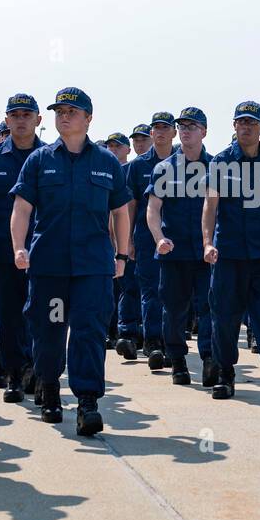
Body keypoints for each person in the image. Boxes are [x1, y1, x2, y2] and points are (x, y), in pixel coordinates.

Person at [10, 87, 132, 435]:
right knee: (49, 331)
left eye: (72, 111)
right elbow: (22, 208)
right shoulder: (40, 160)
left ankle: (88, 402)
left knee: (88, 332)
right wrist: (19, 247)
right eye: (59, 111)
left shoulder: (107, 162)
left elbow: (121, 212)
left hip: (93, 266)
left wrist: (121, 254)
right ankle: (49, 388)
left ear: (88, 118)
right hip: (49, 266)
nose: (64, 116)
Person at [202, 101, 260, 400]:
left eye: (252, 122)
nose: (245, 127)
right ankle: (225, 373)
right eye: (241, 122)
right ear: (234, 126)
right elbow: (210, 206)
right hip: (228, 254)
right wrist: (207, 241)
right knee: (224, 316)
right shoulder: (221, 162)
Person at [146, 107, 217, 387]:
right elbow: (152, 209)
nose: (185, 130)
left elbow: (224, 210)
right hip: (173, 254)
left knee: (210, 308)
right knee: (173, 310)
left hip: (205, 254)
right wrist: (158, 237)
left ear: (204, 131)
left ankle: (210, 359)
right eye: (182, 126)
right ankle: (177, 361)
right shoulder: (164, 168)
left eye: (192, 125)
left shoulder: (216, 166)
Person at [0, 93, 43, 402]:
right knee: (6, 315)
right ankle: (13, 374)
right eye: (15, 115)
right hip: (3, 253)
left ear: (38, 120)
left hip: (43, 252)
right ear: (7, 121)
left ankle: (36, 367)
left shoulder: (50, 156)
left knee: (40, 314)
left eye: (26, 115)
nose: (20, 120)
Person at [127, 112, 178, 368]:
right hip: (146, 238)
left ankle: (172, 342)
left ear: (173, 133)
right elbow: (131, 206)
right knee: (150, 291)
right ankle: (153, 342)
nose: (159, 132)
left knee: (174, 293)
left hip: (178, 238)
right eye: (155, 128)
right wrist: (127, 242)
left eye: (164, 128)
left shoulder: (185, 162)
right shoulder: (138, 166)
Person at [103, 132, 142, 357]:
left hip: (136, 240)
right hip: (112, 240)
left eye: (118, 146)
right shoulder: (108, 170)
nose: (113, 150)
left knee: (135, 288)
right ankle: (117, 331)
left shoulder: (131, 170)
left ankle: (136, 332)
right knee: (117, 289)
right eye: (110, 146)